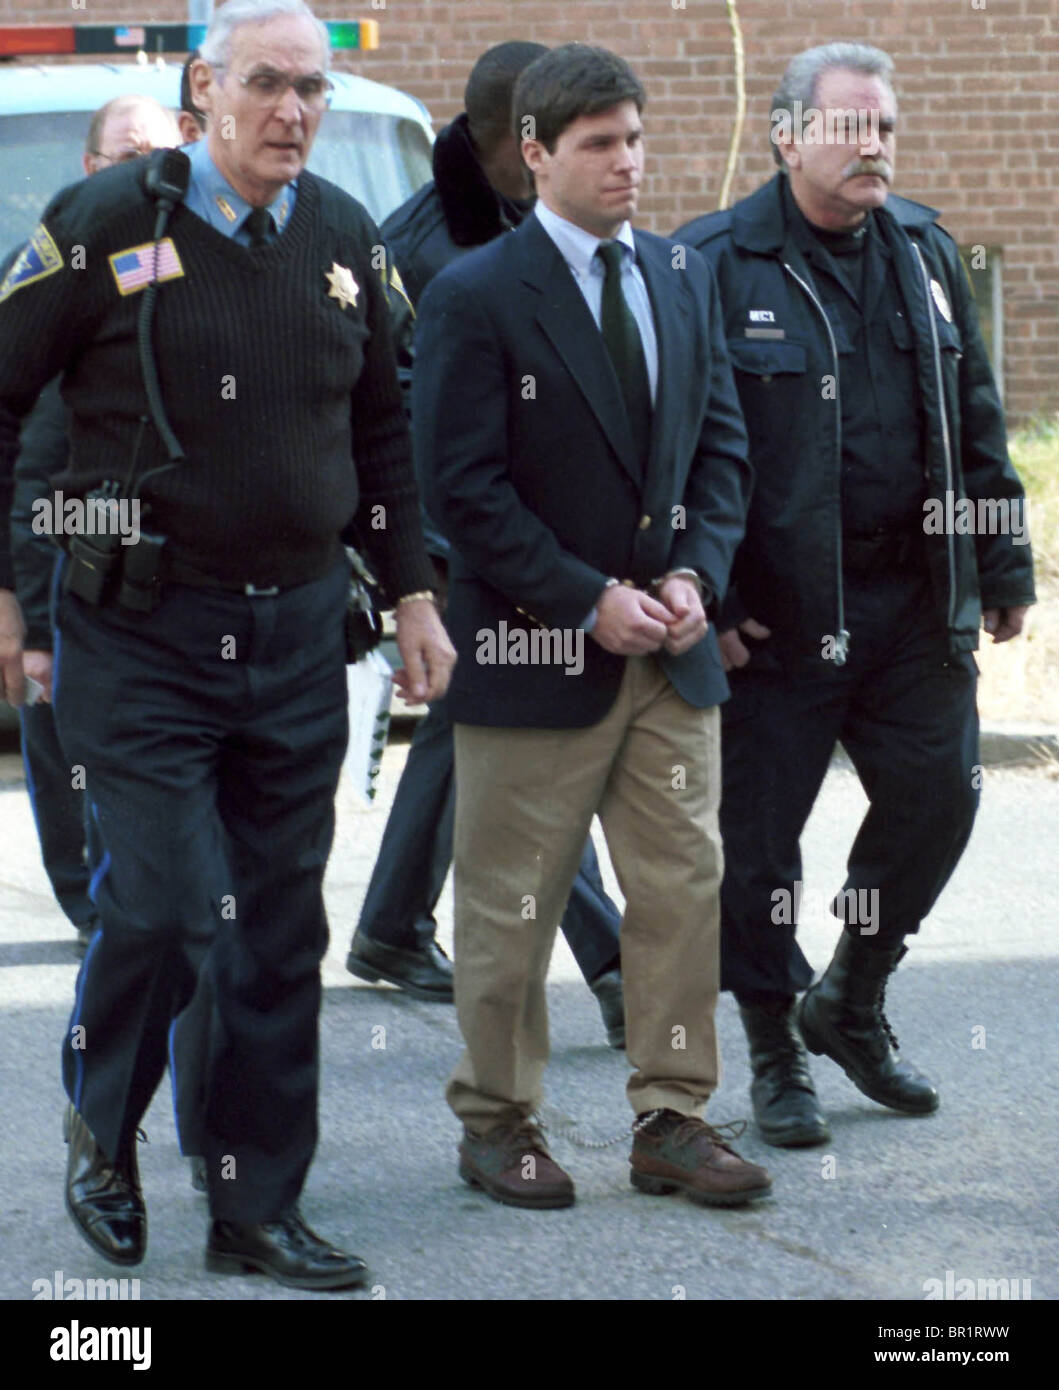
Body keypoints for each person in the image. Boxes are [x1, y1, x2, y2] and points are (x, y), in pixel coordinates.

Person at [0, 0, 454, 1290]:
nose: (294, 113)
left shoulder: (347, 238)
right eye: (268, 85)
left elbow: (382, 436)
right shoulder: (109, 229)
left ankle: (256, 1202)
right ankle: (105, 1122)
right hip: (142, 633)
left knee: (270, 928)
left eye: (313, 90)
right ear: (207, 90)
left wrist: (414, 597)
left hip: (303, 632)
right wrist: (6, 591)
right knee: (162, 901)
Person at [413, 43, 770, 1211]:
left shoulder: (679, 274)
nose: (628, 162)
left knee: (679, 888)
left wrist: (695, 575)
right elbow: (461, 489)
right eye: (600, 144)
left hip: (669, 655)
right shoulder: (476, 295)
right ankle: (499, 1120)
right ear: (536, 153)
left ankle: (672, 1115)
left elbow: (721, 444)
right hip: (532, 655)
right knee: (512, 898)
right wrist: (583, 597)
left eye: (636, 138)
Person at [675, 42, 1035, 1148]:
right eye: (850, 126)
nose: (874, 143)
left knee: (943, 792)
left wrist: (1004, 558)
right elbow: (677, 446)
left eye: (885, 126)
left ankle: (854, 992)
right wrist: (711, 593)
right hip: (777, 617)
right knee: (761, 845)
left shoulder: (924, 248)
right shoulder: (712, 264)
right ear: (788, 135)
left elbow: (975, 413)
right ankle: (778, 1048)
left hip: (911, 598)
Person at [348, 40, 626, 1047]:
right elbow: (394, 422)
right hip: (453, 545)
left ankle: (386, 928)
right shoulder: (432, 253)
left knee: (477, 736)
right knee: (531, 743)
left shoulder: (517, 220)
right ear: (515, 141)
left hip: (521, 534)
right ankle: (619, 964)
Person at [9, 97, 183, 955]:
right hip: (64, 558)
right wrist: (33, 617)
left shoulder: (172, 262)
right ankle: (93, 911)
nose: (145, 167)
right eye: (127, 153)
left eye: (160, 152)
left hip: (161, 578)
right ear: (90, 168)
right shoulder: (63, 276)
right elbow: (35, 466)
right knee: (62, 746)